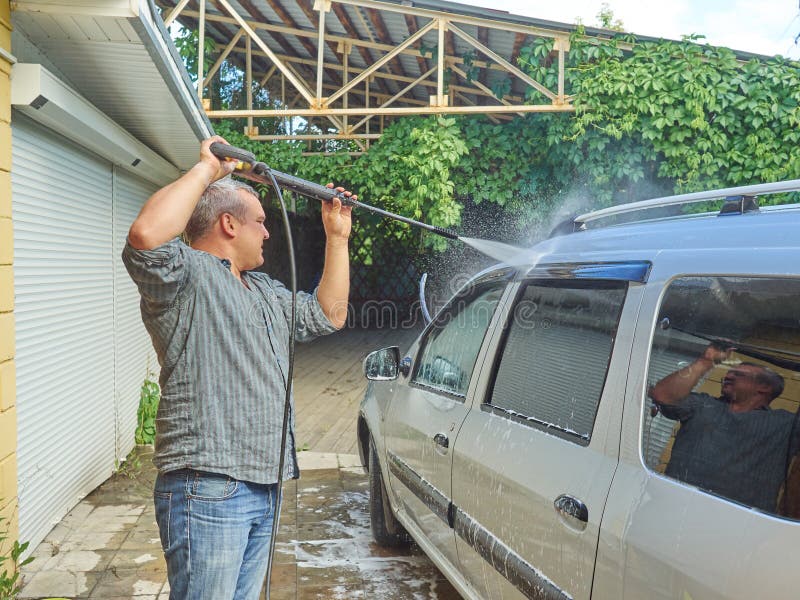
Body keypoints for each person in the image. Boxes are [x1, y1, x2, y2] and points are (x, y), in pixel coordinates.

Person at [122, 136, 353, 599]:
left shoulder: (263, 289)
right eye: (261, 222)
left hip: (265, 484)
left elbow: (330, 314)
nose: (268, 233)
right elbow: (146, 237)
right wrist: (209, 170)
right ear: (229, 223)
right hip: (208, 486)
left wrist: (337, 238)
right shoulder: (185, 274)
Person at [649, 344, 798, 513]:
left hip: (740, 524)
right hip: (670, 507)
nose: (728, 375)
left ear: (764, 388)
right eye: (729, 371)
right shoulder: (703, 405)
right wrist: (706, 361)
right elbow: (662, 395)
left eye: (739, 374)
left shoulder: (785, 425)